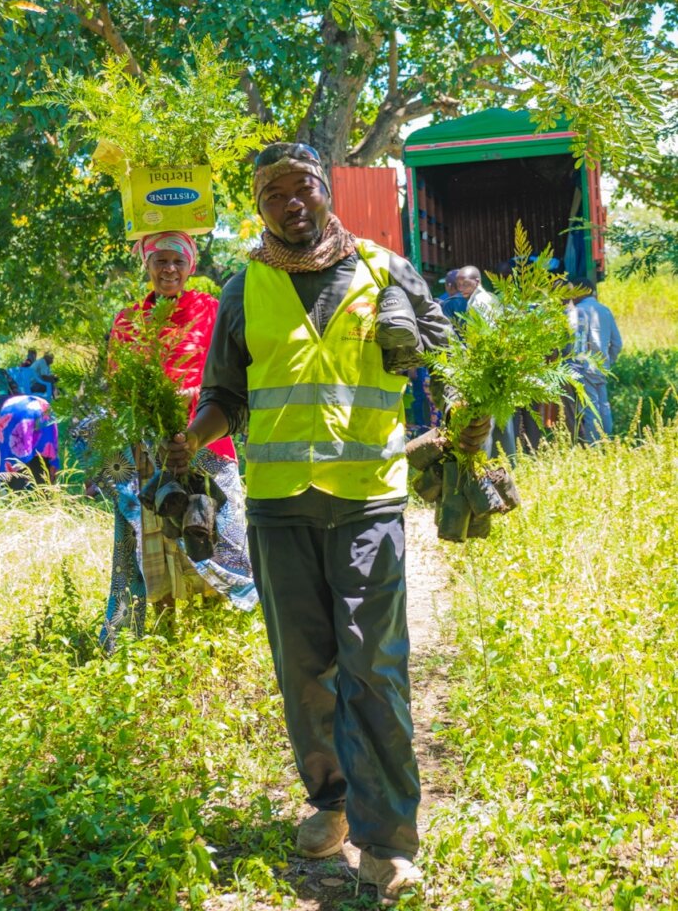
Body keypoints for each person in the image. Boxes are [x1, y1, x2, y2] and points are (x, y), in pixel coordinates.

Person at [164, 143, 489, 905]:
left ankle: (388, 841)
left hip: (367, 499)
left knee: (373, 666)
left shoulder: (385, 270)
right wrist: (192, 433)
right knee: (305, 671)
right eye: (274, 192)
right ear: (260, 205)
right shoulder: (247, 287)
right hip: (279, 507)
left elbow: (452, 371)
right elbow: (226, 396)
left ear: (326, 189)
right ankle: (331, 800)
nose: (291, 202)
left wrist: (470, 420)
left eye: (302, 186)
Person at [75, 230, 256, 652]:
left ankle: (227, 631)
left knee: (219, 534)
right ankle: (160, 634)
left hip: (206, 441)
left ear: (190, 265)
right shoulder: (128, 319)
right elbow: (120, 386)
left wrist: (189, 398)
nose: (169, 269)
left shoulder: (212, 310)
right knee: (150, 541)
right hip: (146, 451)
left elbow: (230, 374)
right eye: (160, 261)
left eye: (177, 261)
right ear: (148, 265)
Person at [455, 264, 516, 460]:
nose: (461, 289)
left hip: (488, 365)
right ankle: (509, 459)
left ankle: (486, 463)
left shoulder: (479, 303)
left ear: (477, 282)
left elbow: (485, 337)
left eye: (466, 284)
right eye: (459, 285)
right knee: (502, 415)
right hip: (499, 364)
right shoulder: (488, 298)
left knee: (486, 418)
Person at [567, 278, 622, 442]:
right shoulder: (605, 310)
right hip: (602, 366)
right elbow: (617, 343)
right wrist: (608, 361)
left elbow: (575, 344)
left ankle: (594, 446)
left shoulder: (577, 311)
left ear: (580, 292)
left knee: (590, 408)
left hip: (585, 366)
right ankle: (608, 440)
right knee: (603, 405)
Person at [0, 394, 59, 489]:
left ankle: (20, 495)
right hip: (42, 405)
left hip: (13, 412)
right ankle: (45, 495)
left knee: (17, 468)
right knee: (43, 459)